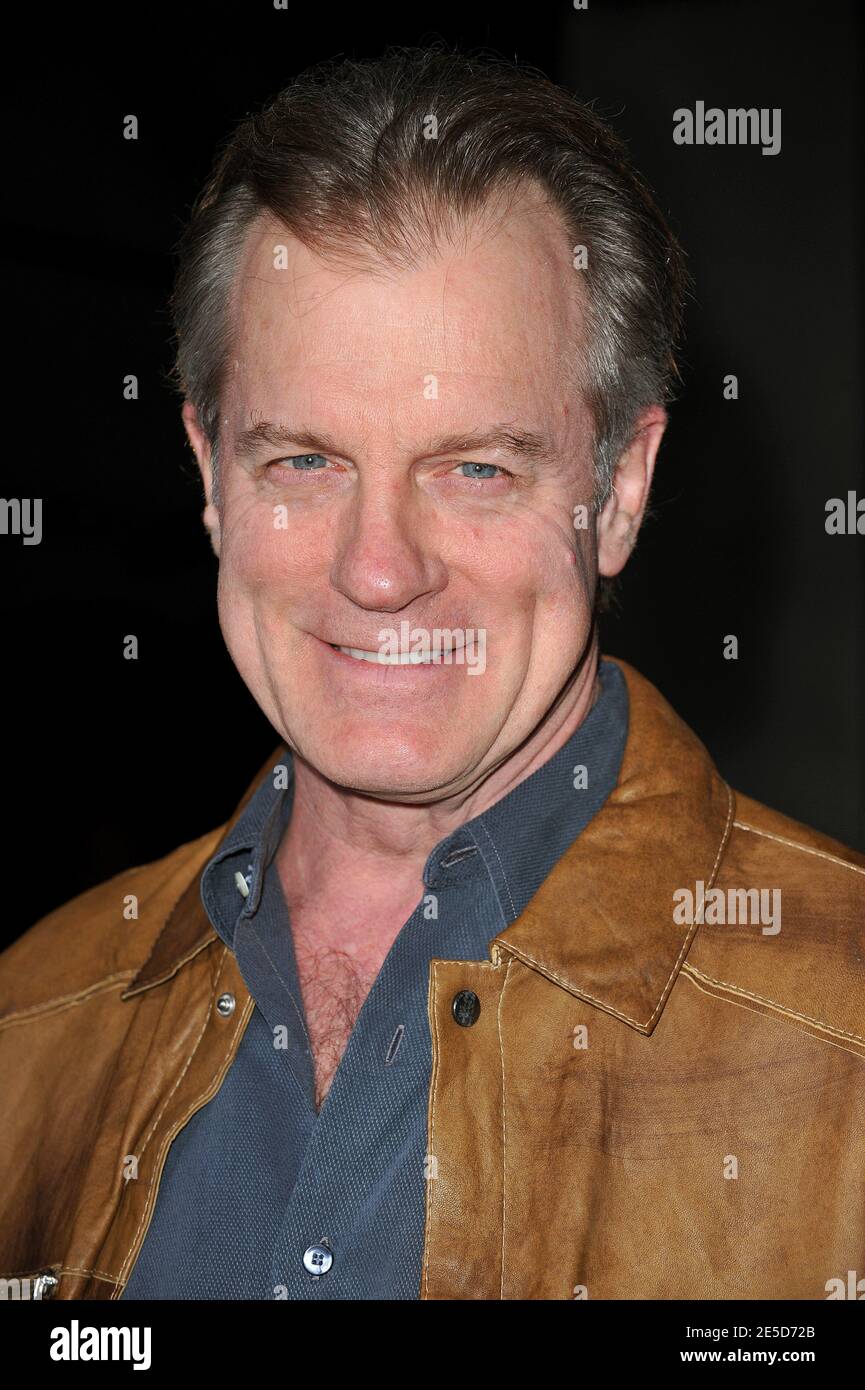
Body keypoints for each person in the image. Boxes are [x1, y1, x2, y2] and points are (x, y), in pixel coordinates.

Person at [1, 45, 862, 1303]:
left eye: (475, 469)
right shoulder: (30, 1021)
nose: (381, 571)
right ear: (208, 476)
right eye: (303, 461)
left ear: (617, 492)